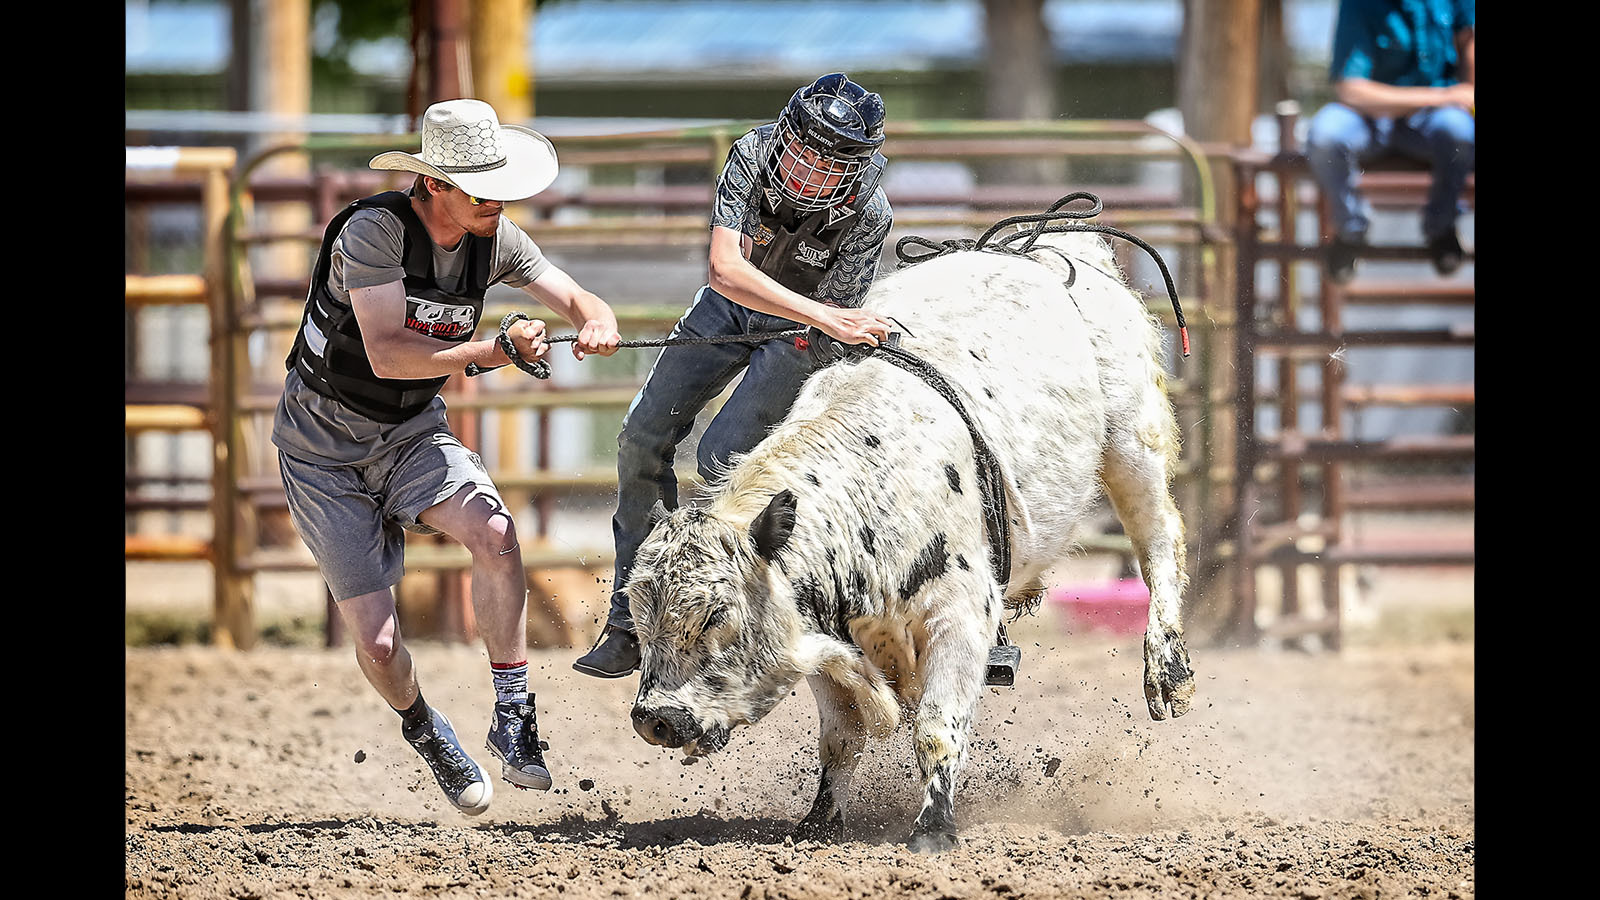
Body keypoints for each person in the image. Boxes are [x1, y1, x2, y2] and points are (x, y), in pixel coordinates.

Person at [273, 98, 622, 816]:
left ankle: (514, 713)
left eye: (500, 186)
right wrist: (495, 351)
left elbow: (570, 292)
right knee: (375, 642)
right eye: (480, 189)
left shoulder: (495, 235)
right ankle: (426, 729)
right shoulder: (373, 232)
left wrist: (596, 319)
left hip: (409, 435)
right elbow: (389, 353)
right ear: (434, 184)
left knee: (496, 532)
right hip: (322, 451)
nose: (497, 201)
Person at [572, 73, 899, 678]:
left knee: (724, 457)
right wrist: (822, 312)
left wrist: (820, 320)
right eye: (802, 147)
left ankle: (726, 617)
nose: (806, 167)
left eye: (827, 161)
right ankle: (629, 621)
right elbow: (725, 269)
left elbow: (834, 327)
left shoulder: (868, 215)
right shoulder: (751, 151)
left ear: (854, 170)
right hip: (738, 308)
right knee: (640, 437)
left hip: (796, 336)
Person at [1306, 0, 1474, 284]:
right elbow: (1352, 90)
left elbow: (1468, 46)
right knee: (1325, 135)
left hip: (1434, 120)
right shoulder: (1359, 5)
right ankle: (1350, 231)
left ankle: (1442, 227)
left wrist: (1465, 92)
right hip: (1369, 117)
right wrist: (1443, 97)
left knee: (1460, 131)